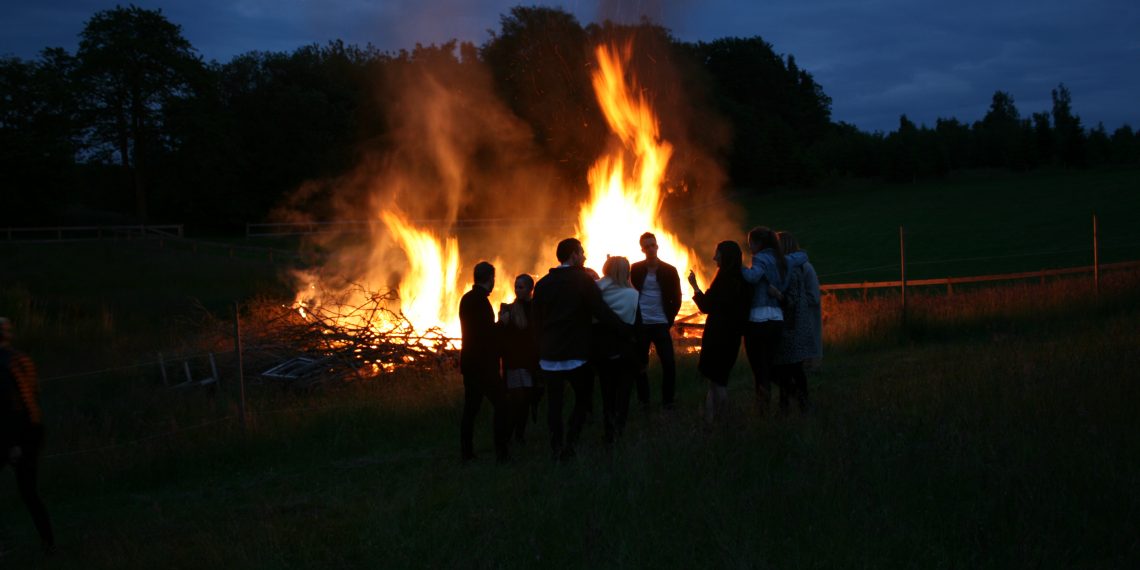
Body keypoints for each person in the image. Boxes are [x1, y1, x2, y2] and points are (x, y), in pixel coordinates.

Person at [533, 238, 629, 460]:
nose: (585, 257)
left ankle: (556, 447)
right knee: (584, 399)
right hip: (575, 355)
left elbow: (535, 322)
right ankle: (572, 440)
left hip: (549, 357)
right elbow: (601, 311)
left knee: (554, 405)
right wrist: (625, 330)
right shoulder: (583, 281)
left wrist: (538, 351)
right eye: (582, 252)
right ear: (573, 254)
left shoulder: (544, 284)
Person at [1, 317, 55, 553]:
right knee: (29, 492)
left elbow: (12, 404)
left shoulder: (3, 363)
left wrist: (14, 443)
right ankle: (48, 542)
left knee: (29, 492)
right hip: (32, 431)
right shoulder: (22, 359)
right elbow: (34, 394)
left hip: (13, 435)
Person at [741, 227, 807, 414]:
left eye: (751, 244)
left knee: (760, 369)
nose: (750, 248)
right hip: (777, 318)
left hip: (758, 318)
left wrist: (738, 266)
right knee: (770, 363)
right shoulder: (784, 259)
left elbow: (753, 277)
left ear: (758, 244)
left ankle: (763, 409)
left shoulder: (760, 258)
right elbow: (803, 256)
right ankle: (792, 392)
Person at [687, 241, 751, 423]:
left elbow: (706, 306)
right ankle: (709, 418)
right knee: (717, 379)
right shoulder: (742, 280)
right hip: (732, 337)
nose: (714, 258)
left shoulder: (724, 281)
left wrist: (695, 286)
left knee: (718, 380)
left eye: (718, 254)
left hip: (718, 338)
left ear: (725, 256)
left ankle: (722, 419)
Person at [458, 262, 510, 463]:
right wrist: (502, 323)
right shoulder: (480, 301)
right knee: (502, 406)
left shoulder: (467, 299)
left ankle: (467, 453)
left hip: (470, 363)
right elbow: (486, 335)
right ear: (490, 278)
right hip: (483, 366)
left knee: (471, 410)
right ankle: (502, 453)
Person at [630, 232, 682, 410]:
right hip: (642, 324)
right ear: (642, 249)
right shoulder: (635, 269)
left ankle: (668, 401)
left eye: (653, 245)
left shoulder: (669, 270)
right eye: (647, 246)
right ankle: (644, 401)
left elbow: (677, 298)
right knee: (640, 364)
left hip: (660, 323)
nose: (651, 248)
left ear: (657, 246)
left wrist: (669, 320)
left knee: (668, 363)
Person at [772, 232, 822, 413]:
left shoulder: (804, 268)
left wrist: (793, 303)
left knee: (793, 366)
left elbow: (813, 297)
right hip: (790, 322)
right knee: (787, 366)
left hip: (799, 323)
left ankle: (798, 402)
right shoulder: (786, 267)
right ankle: (792, 402)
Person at [593, 256, 639, 443]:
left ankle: (608, 429)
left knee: (607, 392)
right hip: (625, 350)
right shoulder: (632, 295)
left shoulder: (596, 291)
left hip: (603, 350)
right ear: (626, 271)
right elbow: (637, 325)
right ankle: (619, 428)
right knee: (624, 391)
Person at [498, 274, 540, 444]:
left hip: (531, 363)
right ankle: (506, 438)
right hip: (515, 363)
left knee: (527, 402)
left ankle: (520, 436)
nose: (517, 290)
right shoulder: (508, 310)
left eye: (521, 286)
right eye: (516, 286)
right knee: (517, 402)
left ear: (531, 289)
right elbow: (501, 338)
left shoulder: (537, 309)